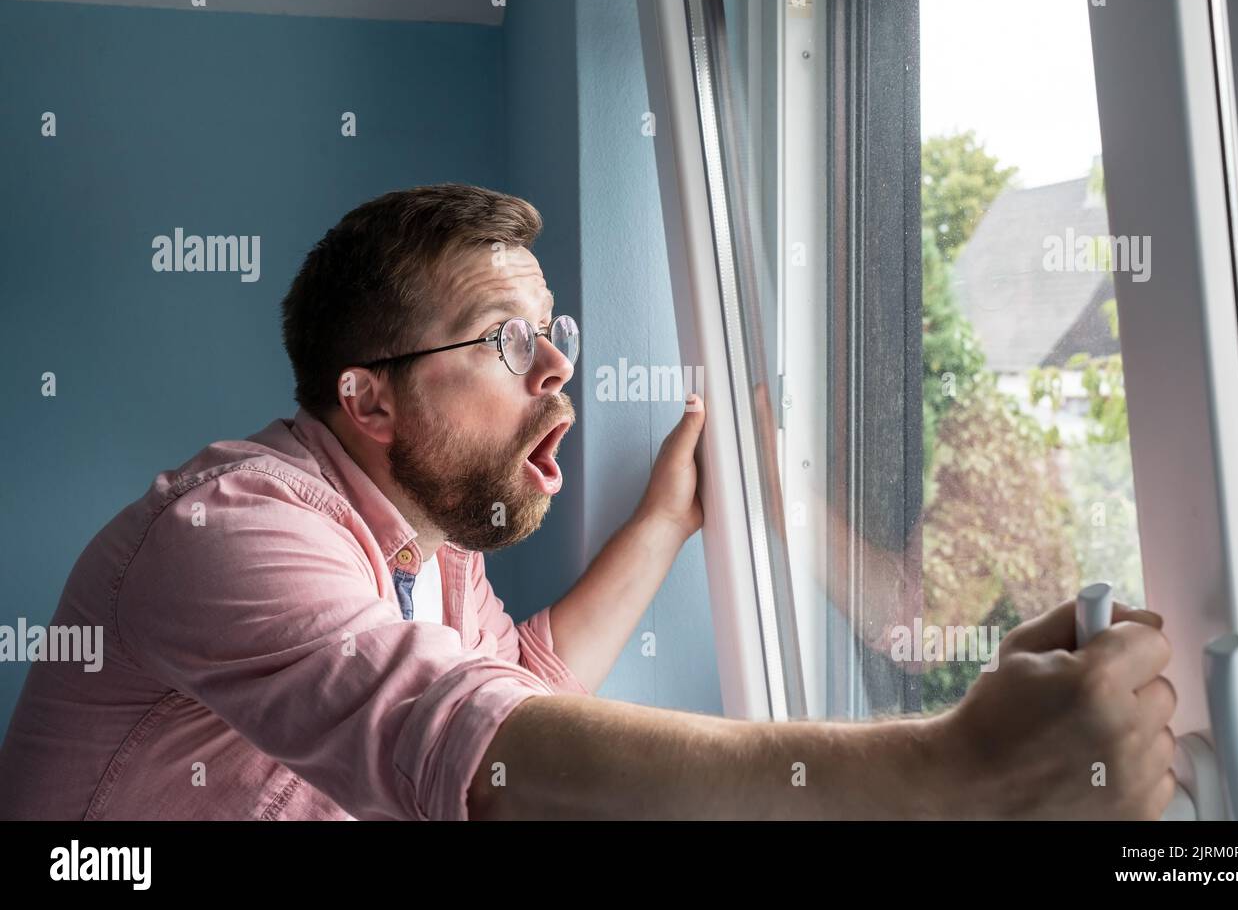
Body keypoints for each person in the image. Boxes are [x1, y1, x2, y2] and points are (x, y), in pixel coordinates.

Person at [0, 183, 1176, 820]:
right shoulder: (231, 529)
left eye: (553, 331)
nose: (560, 366)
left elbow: (516, 681)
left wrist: (666, 519)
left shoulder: (430, 546)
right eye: (509, 339)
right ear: (367, 398)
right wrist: (948, 769)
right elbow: (471, 742)